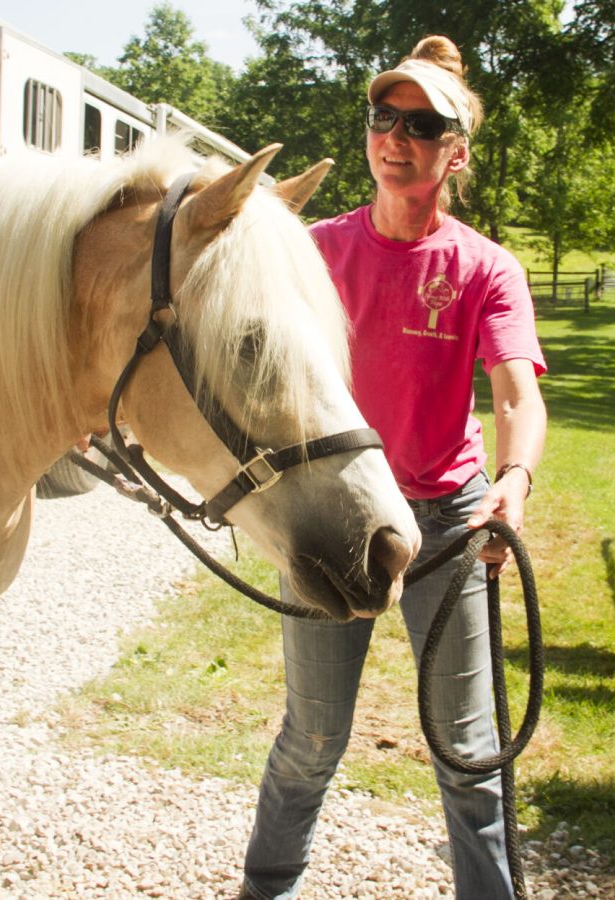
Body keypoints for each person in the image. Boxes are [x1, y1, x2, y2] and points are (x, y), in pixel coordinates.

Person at [239, 35, 547, 900]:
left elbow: (519, 396)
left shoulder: (486, 267)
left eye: (421, 123)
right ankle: (266, 888)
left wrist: (512, 486)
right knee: (312, 738)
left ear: (456, 152)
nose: (395, 135)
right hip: (335, 516)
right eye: (384, 116)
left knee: (468, 752)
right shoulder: (312, 251)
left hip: (448, 524)